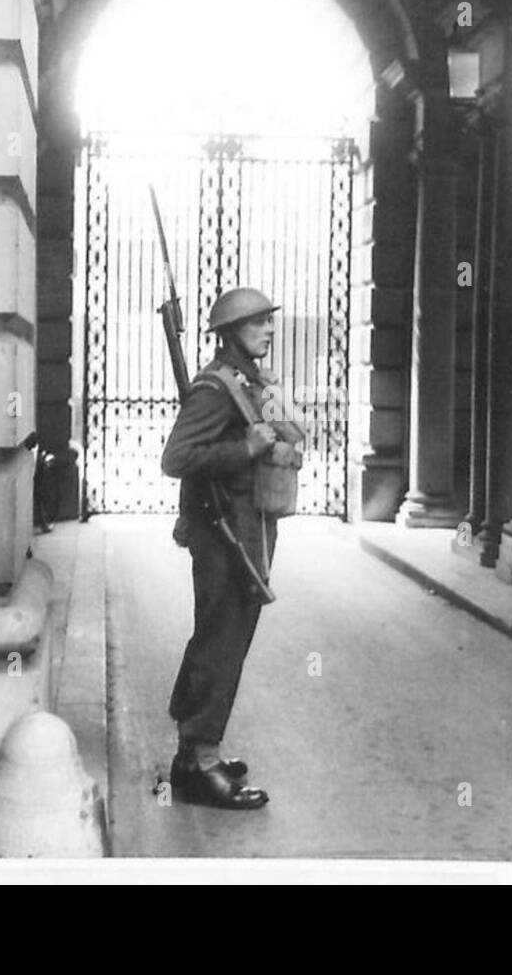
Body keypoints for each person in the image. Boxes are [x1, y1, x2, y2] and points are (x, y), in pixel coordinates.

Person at [160, 287, 292, 809]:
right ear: (230, 332)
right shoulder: (216, 389)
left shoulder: (245, 381)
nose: (268, 329)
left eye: (267, 321)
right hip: (223, 537)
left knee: (220, 639)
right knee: (221, 642)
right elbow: (178, 457)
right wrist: (246, 448)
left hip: (245, 530)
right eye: (257, 323)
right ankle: (201, 765)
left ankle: (192, 751)